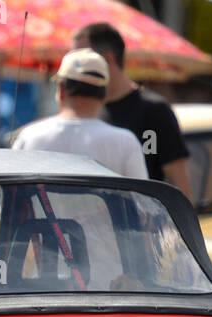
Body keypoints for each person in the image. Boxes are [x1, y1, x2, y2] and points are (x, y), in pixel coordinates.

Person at [72, 22, 192, 201]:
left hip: (143, 224)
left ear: (108, 59)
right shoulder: (88, 111)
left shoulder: (153, 110)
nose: (75, 68)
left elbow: (179, 181)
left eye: (81, 59)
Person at [12, 49, 145, 180]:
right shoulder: (126, 142)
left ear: (61, 90)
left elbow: (12, 195)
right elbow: (142, 199)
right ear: (104, 94)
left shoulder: (30, 137)